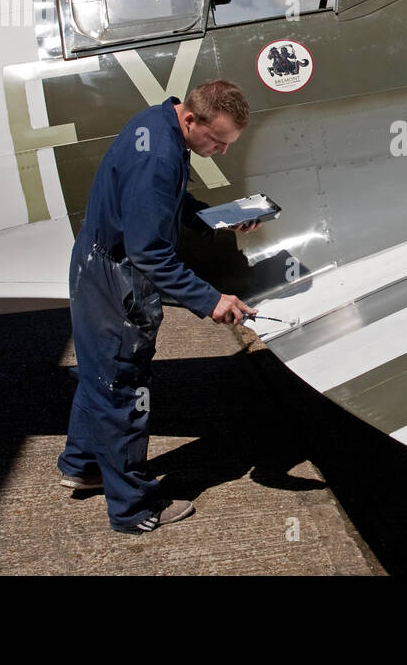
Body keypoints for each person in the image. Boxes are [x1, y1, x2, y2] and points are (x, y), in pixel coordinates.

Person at [57, 79, 258, 534]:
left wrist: (216, 219)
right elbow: (150, 253)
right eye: (218, 140)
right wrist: (211, 300)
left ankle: (83, 463)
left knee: (99, 374)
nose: (222, 151)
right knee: (123, 388)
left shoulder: (160, 122)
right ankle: (134, 509)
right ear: (191, 118)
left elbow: (166, 199)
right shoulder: (160, 155)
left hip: (96, 264)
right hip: (116, 277)